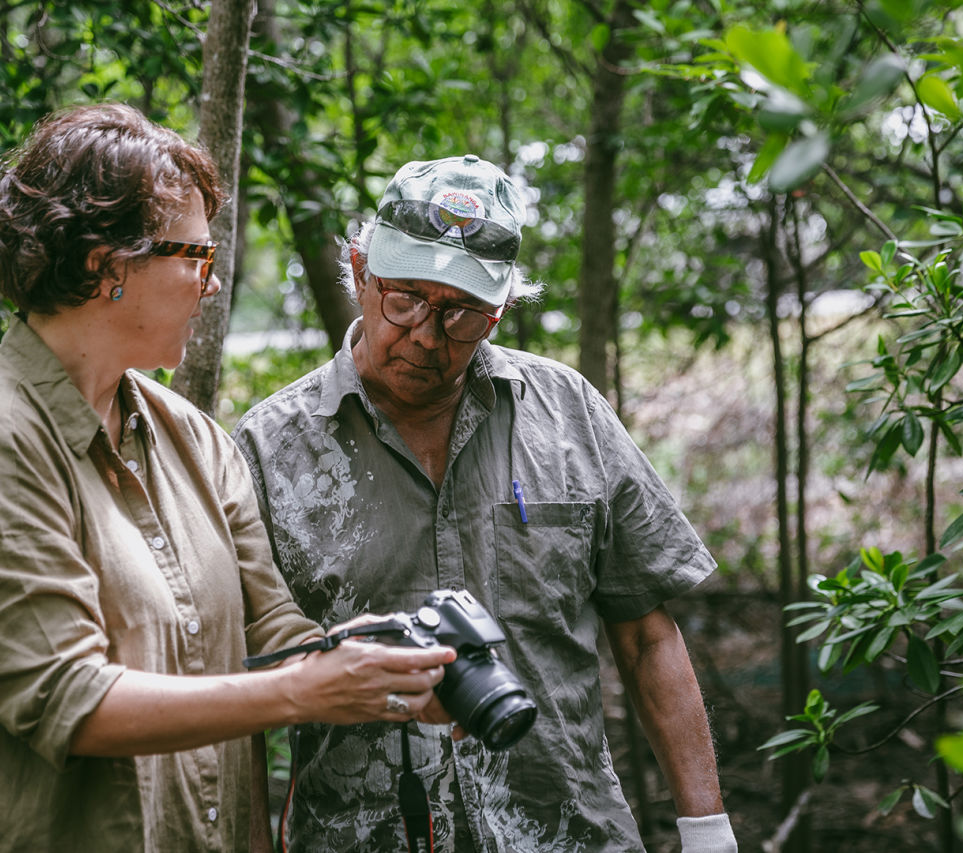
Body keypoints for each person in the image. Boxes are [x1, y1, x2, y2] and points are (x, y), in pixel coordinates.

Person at [0, 104, 455, 853]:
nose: (212, 286)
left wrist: (388, 669)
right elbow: (69, 700)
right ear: (105, 264)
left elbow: (272, 633)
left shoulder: (194, 439)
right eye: (196, 257)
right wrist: (305, 691)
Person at [232, 154, 738, 852]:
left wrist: (709, 831)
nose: (426, 335)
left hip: (568, 832)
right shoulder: (266, 449)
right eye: (405, 298)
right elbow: (239, 689)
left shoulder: (569, 415)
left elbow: (648, 634)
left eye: (463, 313)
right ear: (360, 269)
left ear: (500, 310)